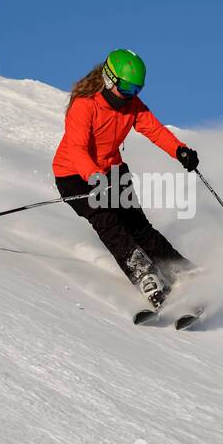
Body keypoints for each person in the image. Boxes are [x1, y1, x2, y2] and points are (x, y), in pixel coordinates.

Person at [53, 49, 199, 308]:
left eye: (137, 89)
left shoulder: (131, 106)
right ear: (110, 80)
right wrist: (96, 178)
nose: (132, 95)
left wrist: (180, 150)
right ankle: (145, 276)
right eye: (128, 88)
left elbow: (153, 129)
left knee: (137, 225)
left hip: (111, 171)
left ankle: (179, 269)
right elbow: (77, 149)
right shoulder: (84, 105)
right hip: (74, 175)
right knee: (108, 221)